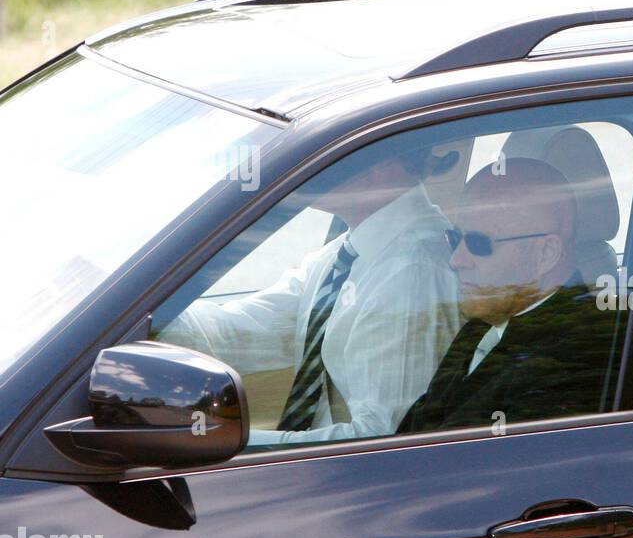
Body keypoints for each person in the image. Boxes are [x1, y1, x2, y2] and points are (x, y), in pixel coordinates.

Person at [158, 140, 472, 445]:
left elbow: (381, 439)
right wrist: (141, 316)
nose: (310, 172)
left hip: (348, 481)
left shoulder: (412, 274)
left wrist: (225, 443)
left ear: (383, 162)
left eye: (331, 156)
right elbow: (237, 333)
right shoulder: (347, 254)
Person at [397, 158, 621, 434]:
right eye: (455, 239)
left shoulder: (573, 359)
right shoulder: (484, 323)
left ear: (546, 254)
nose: (457, 259)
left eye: (479, 244)